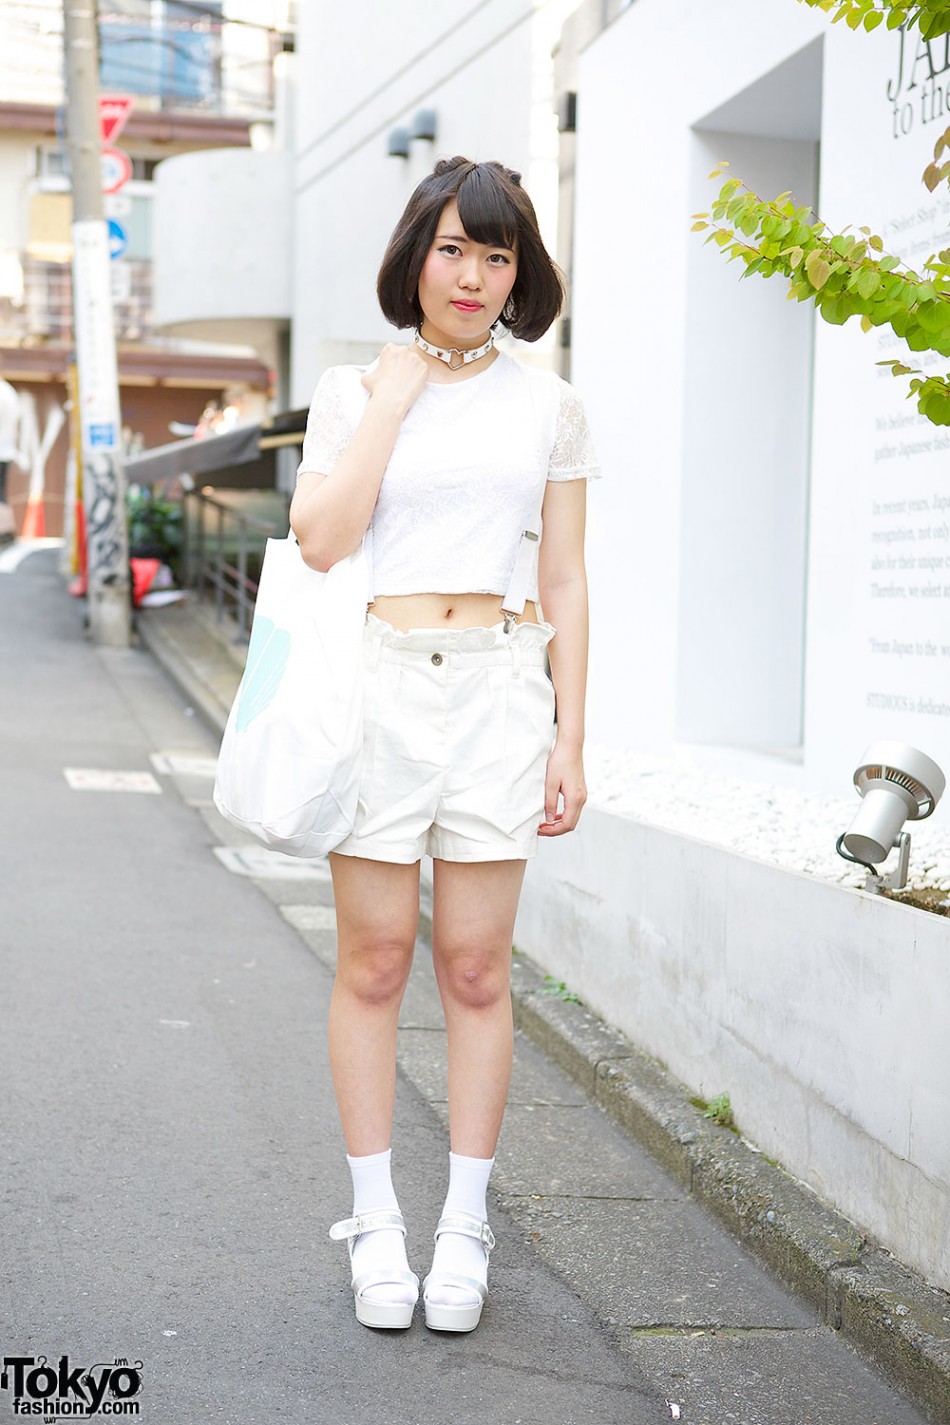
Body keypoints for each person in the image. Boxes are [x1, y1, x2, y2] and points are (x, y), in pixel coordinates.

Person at [289, 156, 601, 1335]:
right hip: (376, 688)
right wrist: (394, 397)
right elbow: (321, 537)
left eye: (497, 254)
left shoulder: (549, 402)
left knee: (474, 969)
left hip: (496, 693)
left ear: (520, 271)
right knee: (371, 964)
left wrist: (571, 732)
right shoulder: (350, 386)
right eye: (453, 250)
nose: (472, 276)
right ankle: (377, 1222)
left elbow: (564, 576)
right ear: (415, 255)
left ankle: (461, 1224)